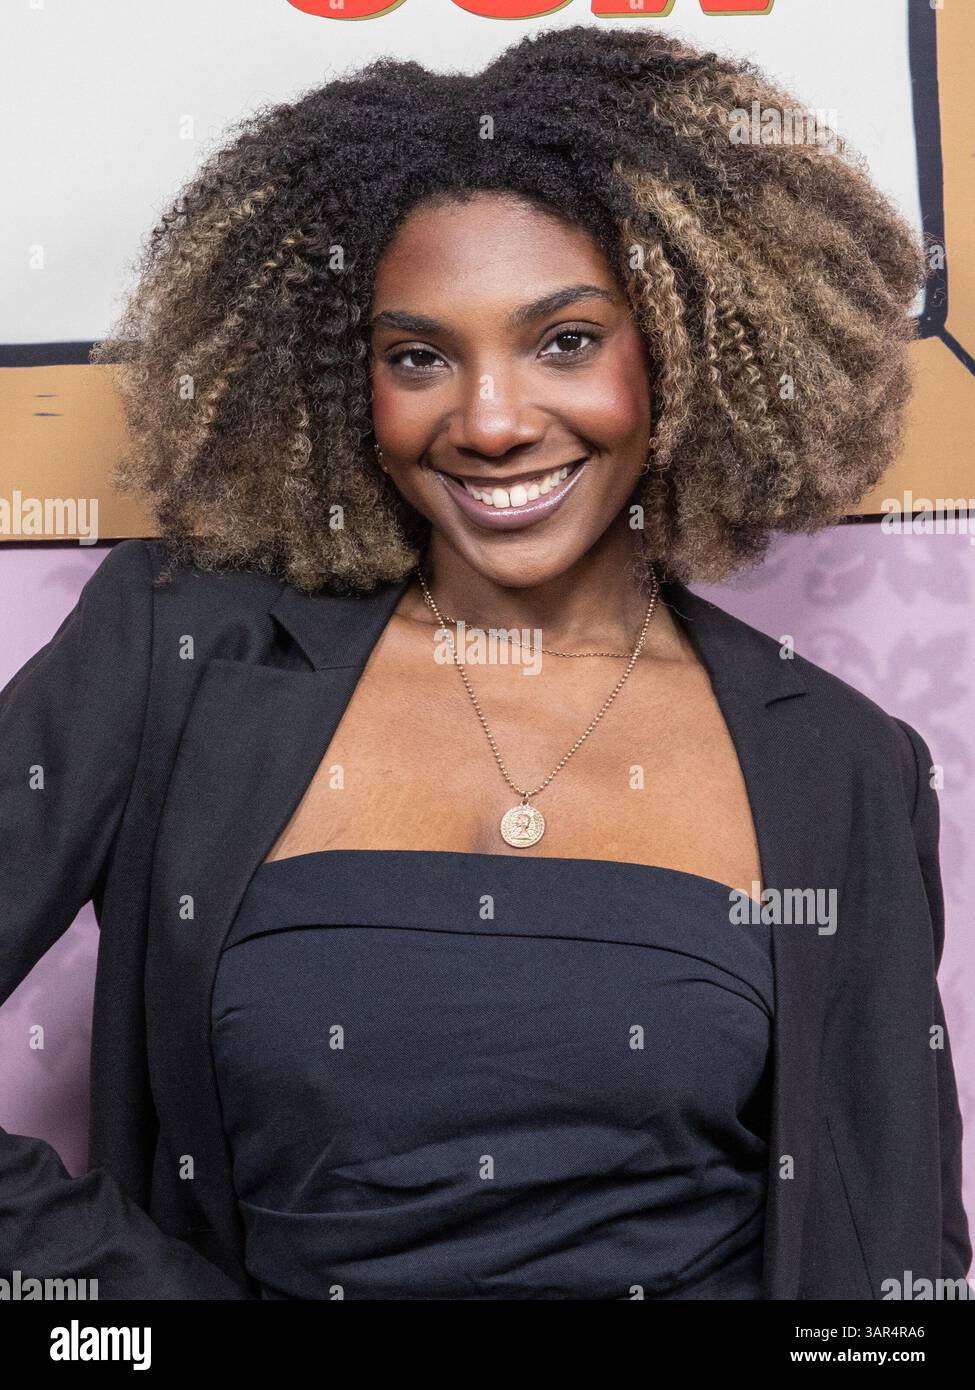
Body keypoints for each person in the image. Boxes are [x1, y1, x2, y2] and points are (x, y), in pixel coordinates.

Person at [1, 24, 969, 1300]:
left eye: (565, 339)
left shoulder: (839, 762)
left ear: (686, 349)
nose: (493, 421)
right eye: (418, 357)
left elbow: (886, 1251)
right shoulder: (177, 647)